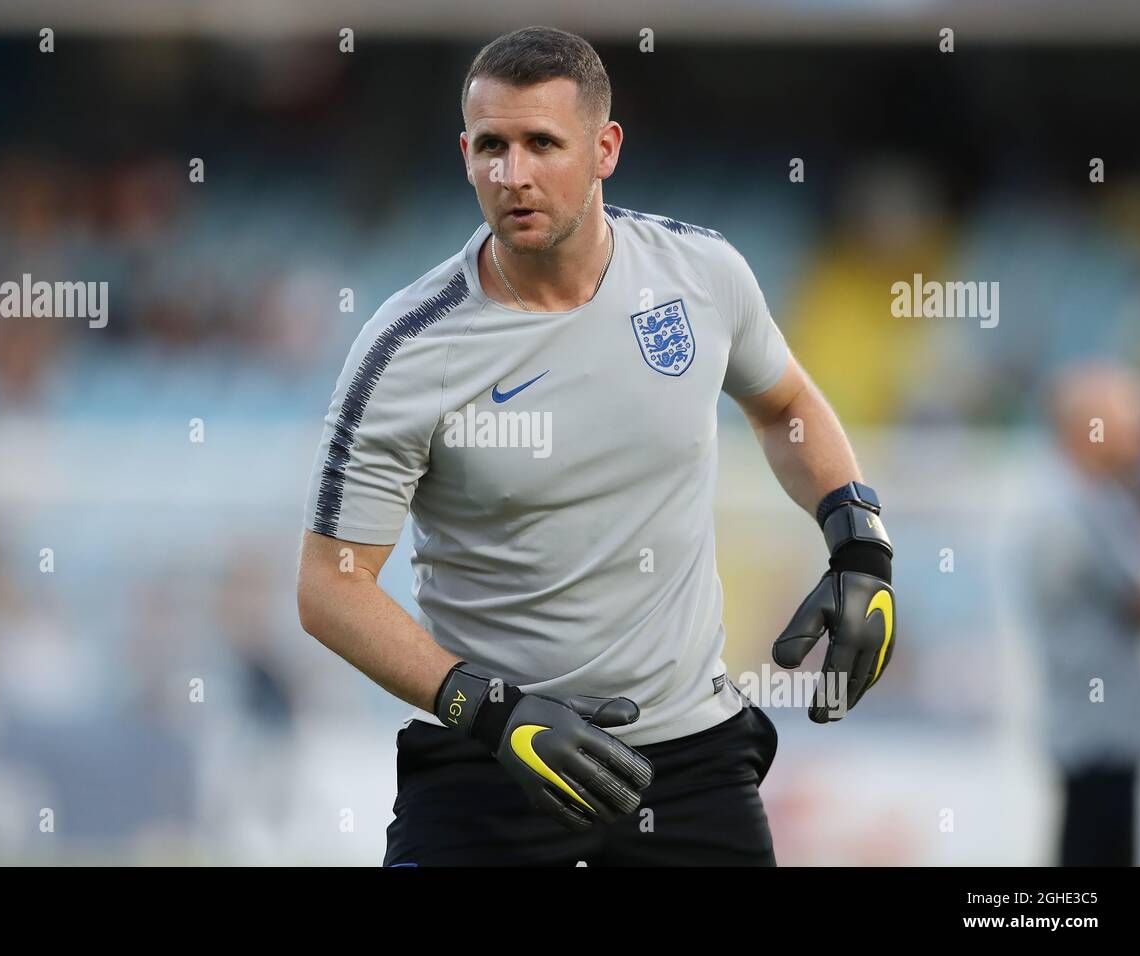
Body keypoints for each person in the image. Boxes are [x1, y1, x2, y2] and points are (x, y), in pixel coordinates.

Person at [295, 25, 896, 866]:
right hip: (493, 766)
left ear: (605, 148)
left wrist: (859, 538)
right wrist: (488, 709)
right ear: (464, 153)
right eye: (491, 147)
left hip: (690, 763)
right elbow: (330, 585)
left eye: (544, 143)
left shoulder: (702, 276)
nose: (514, 175)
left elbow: (784, 400)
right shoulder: (407, 349)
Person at [1020, 362, 1140, 866]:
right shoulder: (1072, 505)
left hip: (1102, 722)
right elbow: (1138, 597)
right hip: (1092, 727)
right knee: (1091, 851)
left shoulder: (1094, 499)